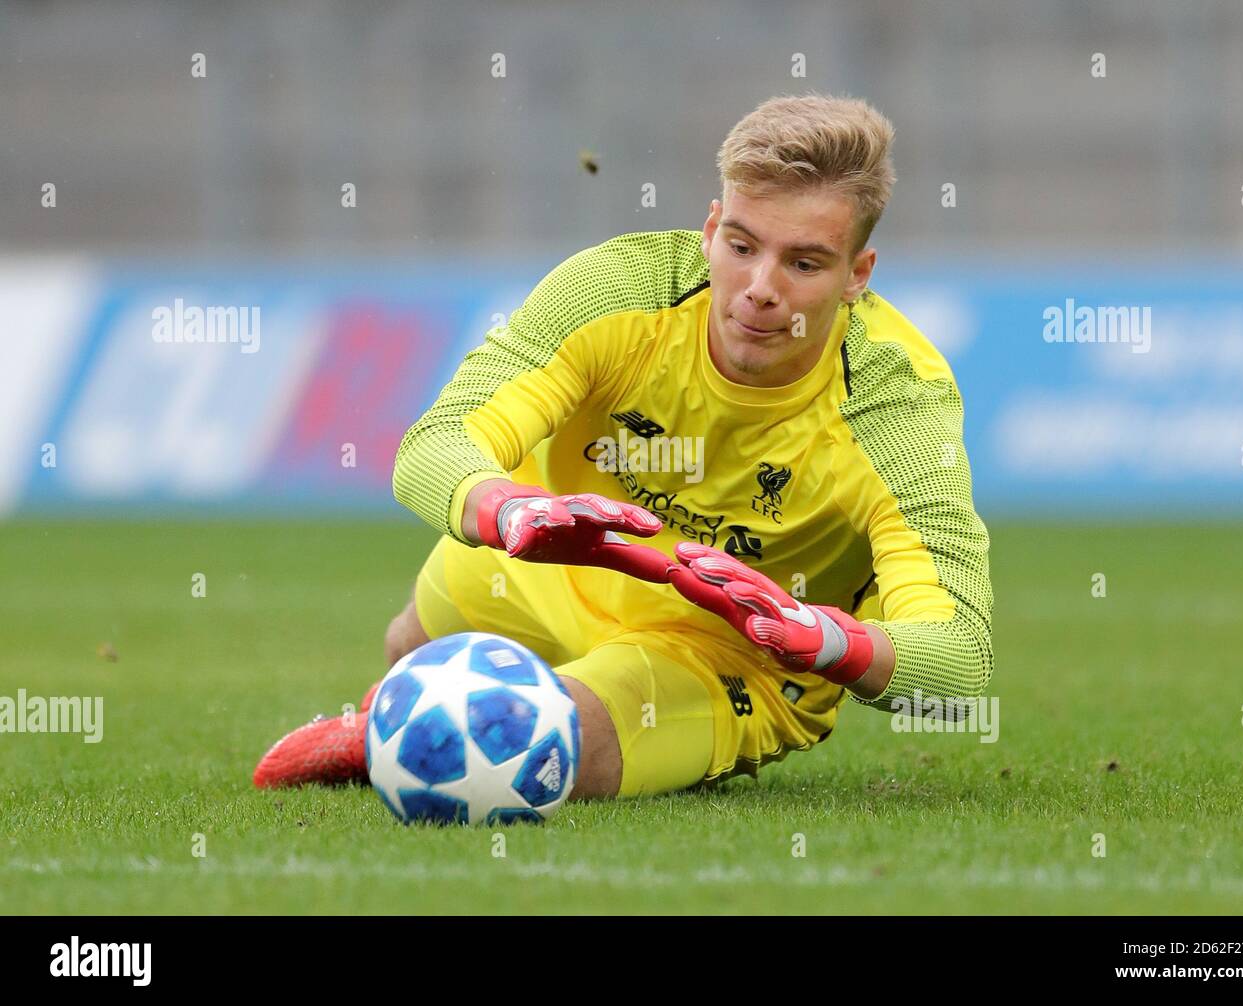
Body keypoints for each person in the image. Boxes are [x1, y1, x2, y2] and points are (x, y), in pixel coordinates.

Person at [253, 92, 994, 799]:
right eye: (741, 245)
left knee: (532, 755)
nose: (760, 288)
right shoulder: (615, 293)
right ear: (710, 229)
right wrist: (507, 510)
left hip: (726, 647)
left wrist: (828, 641)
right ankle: (396, 722)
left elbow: (961, 660)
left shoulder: (896, 406)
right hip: (553, 552)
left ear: (856, 275)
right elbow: (434, 444)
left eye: (803, 264)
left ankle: (399, 740)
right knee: (407, 653)